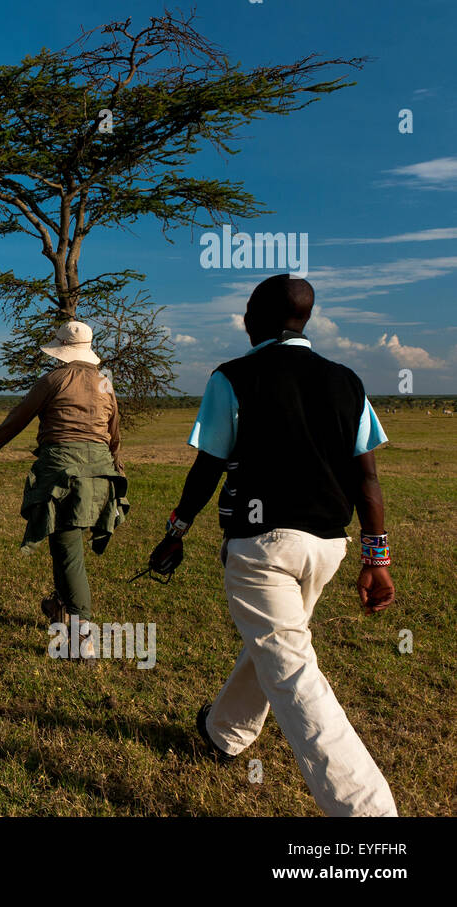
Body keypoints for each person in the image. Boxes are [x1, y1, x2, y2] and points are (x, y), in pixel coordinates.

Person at [149, 273, 397, 816]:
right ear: (303, 320)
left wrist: (176, 533)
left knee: (294, 674)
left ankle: (370, 815)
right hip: (327, 547)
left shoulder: (233, 377)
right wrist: (375, 560)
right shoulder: (347, 381)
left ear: (252, 318)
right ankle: (224, 733)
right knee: (277, 644)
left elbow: (208, 467)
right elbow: (369, 482)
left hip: (262, 551)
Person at [0, 321, 129, 653]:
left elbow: (18, 418)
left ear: (62, 351)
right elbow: (114, 435)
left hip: (64, 473)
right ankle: (60, 608)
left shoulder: (53, 380)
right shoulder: (105, 383)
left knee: (68, 549)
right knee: (62, 543)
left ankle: (83, 635)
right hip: (101, 474)